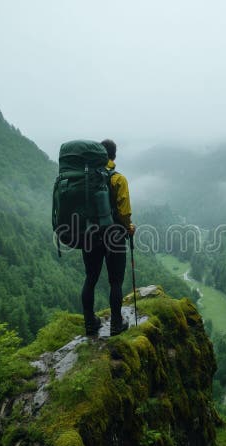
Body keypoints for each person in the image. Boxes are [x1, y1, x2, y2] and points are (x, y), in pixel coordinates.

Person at [81, 139, 136, 336]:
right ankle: (115, 324)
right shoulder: (118, 179)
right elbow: (124, 213)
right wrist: (128, 226)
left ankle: (89, 323)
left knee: (90, 278)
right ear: (114, 156)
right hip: (113, 236)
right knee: (115, 282)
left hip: (88, 235)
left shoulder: (84, 178)